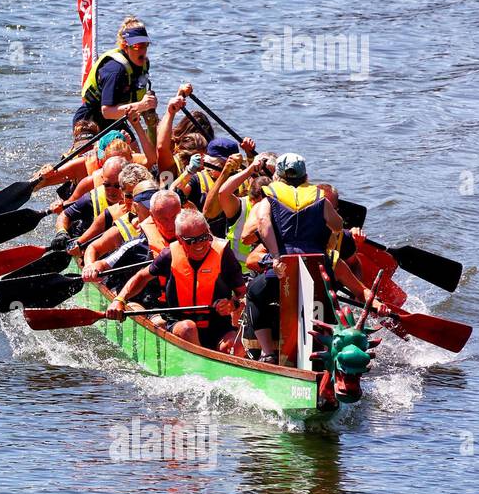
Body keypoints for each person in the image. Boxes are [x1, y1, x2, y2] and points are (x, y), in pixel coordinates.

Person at [242, 153, 343, 364]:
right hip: (316, 266)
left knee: (253, 293)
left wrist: (277, 255)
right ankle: (328, 350)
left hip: (283, 267)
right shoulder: (319, 198)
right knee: (330, 297)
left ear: (278, 176)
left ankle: (268, 353)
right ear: (305, 175)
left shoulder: (269, 196)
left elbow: (262, 222)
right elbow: (337, 225)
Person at [105, 209, 245, 353]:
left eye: (204, 237)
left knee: (237, 347)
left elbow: (242, 294)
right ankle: (200, 366)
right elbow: (141, 277)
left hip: (218, 326)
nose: (199, 245)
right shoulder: (169, 255)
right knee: (188, 329)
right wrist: (119, 300)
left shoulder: (224, 253)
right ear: (179, 239)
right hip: (180, 324)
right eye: (192, 241)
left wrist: (231, 304)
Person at [75, 17, 164, 146]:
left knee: (135, 155)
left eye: (145, 45)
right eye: (137, 46)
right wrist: (142, 105)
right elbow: (107, 112)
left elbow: (138, 97)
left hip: (116, 119)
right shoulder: (115, 71)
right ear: (124, 46)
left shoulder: (144, 64)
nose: (143, 50)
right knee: (92, 159)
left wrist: (152, 118)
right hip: (90, 119)